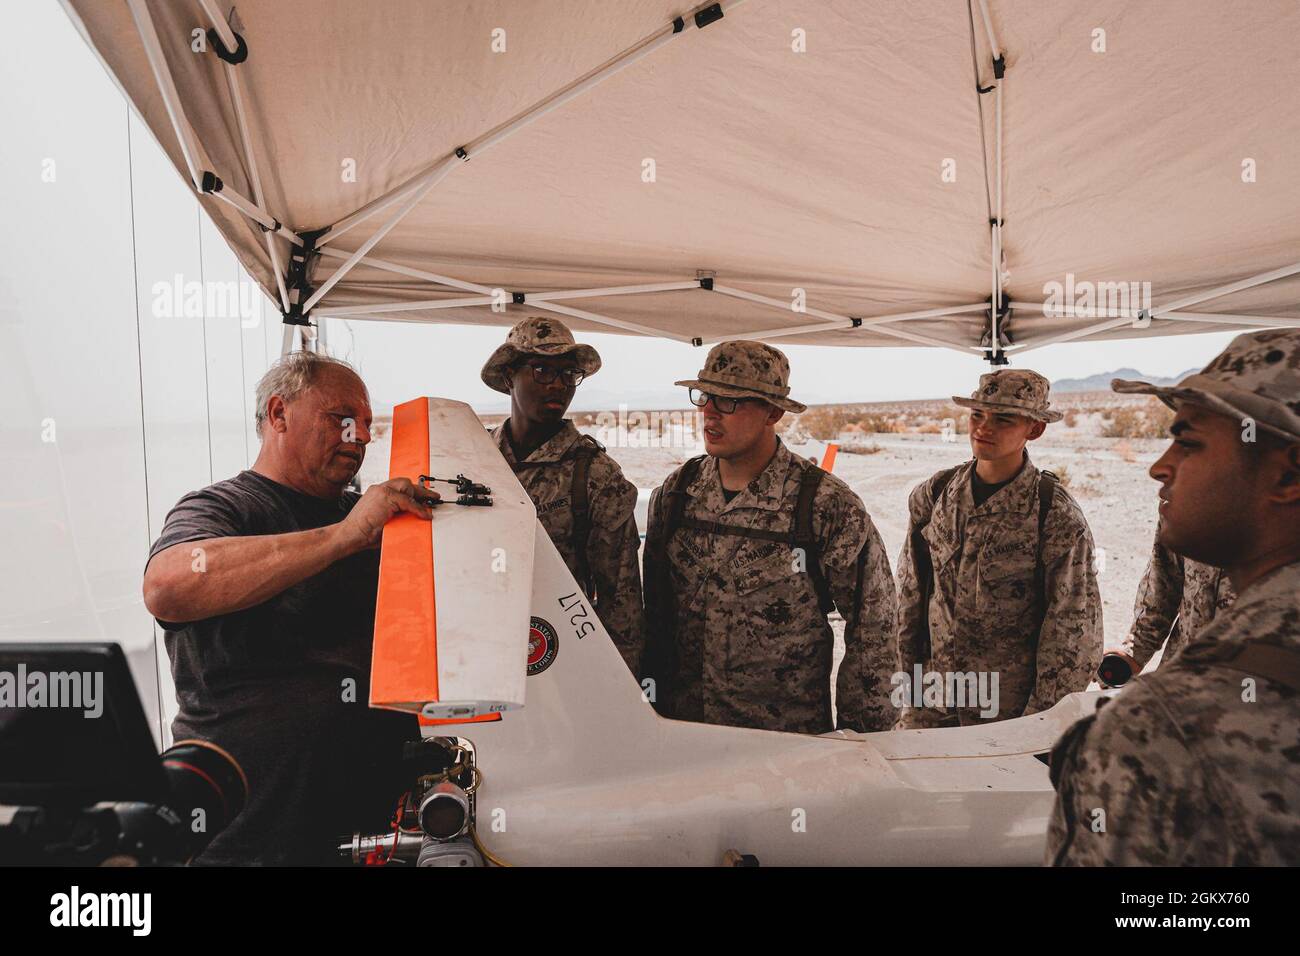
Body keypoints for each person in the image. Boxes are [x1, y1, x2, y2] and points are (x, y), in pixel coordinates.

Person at [142, 352, 438, 864]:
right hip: (251, 832)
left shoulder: (371, 515)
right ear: (279, 414)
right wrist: (346, 537)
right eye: (343, 419)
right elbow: (167, 587)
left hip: (379, 829)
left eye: (367, 425)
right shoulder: (223, 507)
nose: (362, 436)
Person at [1046, 329, 1300, 865]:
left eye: (1188, 442)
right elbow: (1162, 591)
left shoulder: (1160, 733)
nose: (1159, 467)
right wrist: (1135, 653)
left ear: (1288, 474)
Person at [641, 340, 897, 734]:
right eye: (706, 395)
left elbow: (873, 626)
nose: (710, 411)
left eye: (731, 401)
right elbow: (653, 614)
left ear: (773, 411)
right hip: (683, 737)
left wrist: (861, 740)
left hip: (782, 745)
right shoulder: (678, 494)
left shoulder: (826, 505)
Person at [895, 369, 1101, 727]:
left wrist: (1038, 727)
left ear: (1034, 429)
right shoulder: (936, 494)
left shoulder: (1054, 514)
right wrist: (909, 687)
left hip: (1005, 713)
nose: (983, 427)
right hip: (934, 702)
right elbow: (912, 595)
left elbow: (1072, 632)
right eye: (977, 414)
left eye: (1003, 418)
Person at [481, 317, 644, 674]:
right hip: (480, 652)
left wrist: (620, 691)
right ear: (509, 376)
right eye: (541, 370)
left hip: (559, 661)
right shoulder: (476, 460)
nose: (557, 385)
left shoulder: (596, 474)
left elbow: (621, 601)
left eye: (568, 374)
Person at [1101, 519, 1236, 684]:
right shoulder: (1189, 501)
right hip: (1181, 677)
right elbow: (1165, 578)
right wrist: (1136, 650)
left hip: (1252, 688)